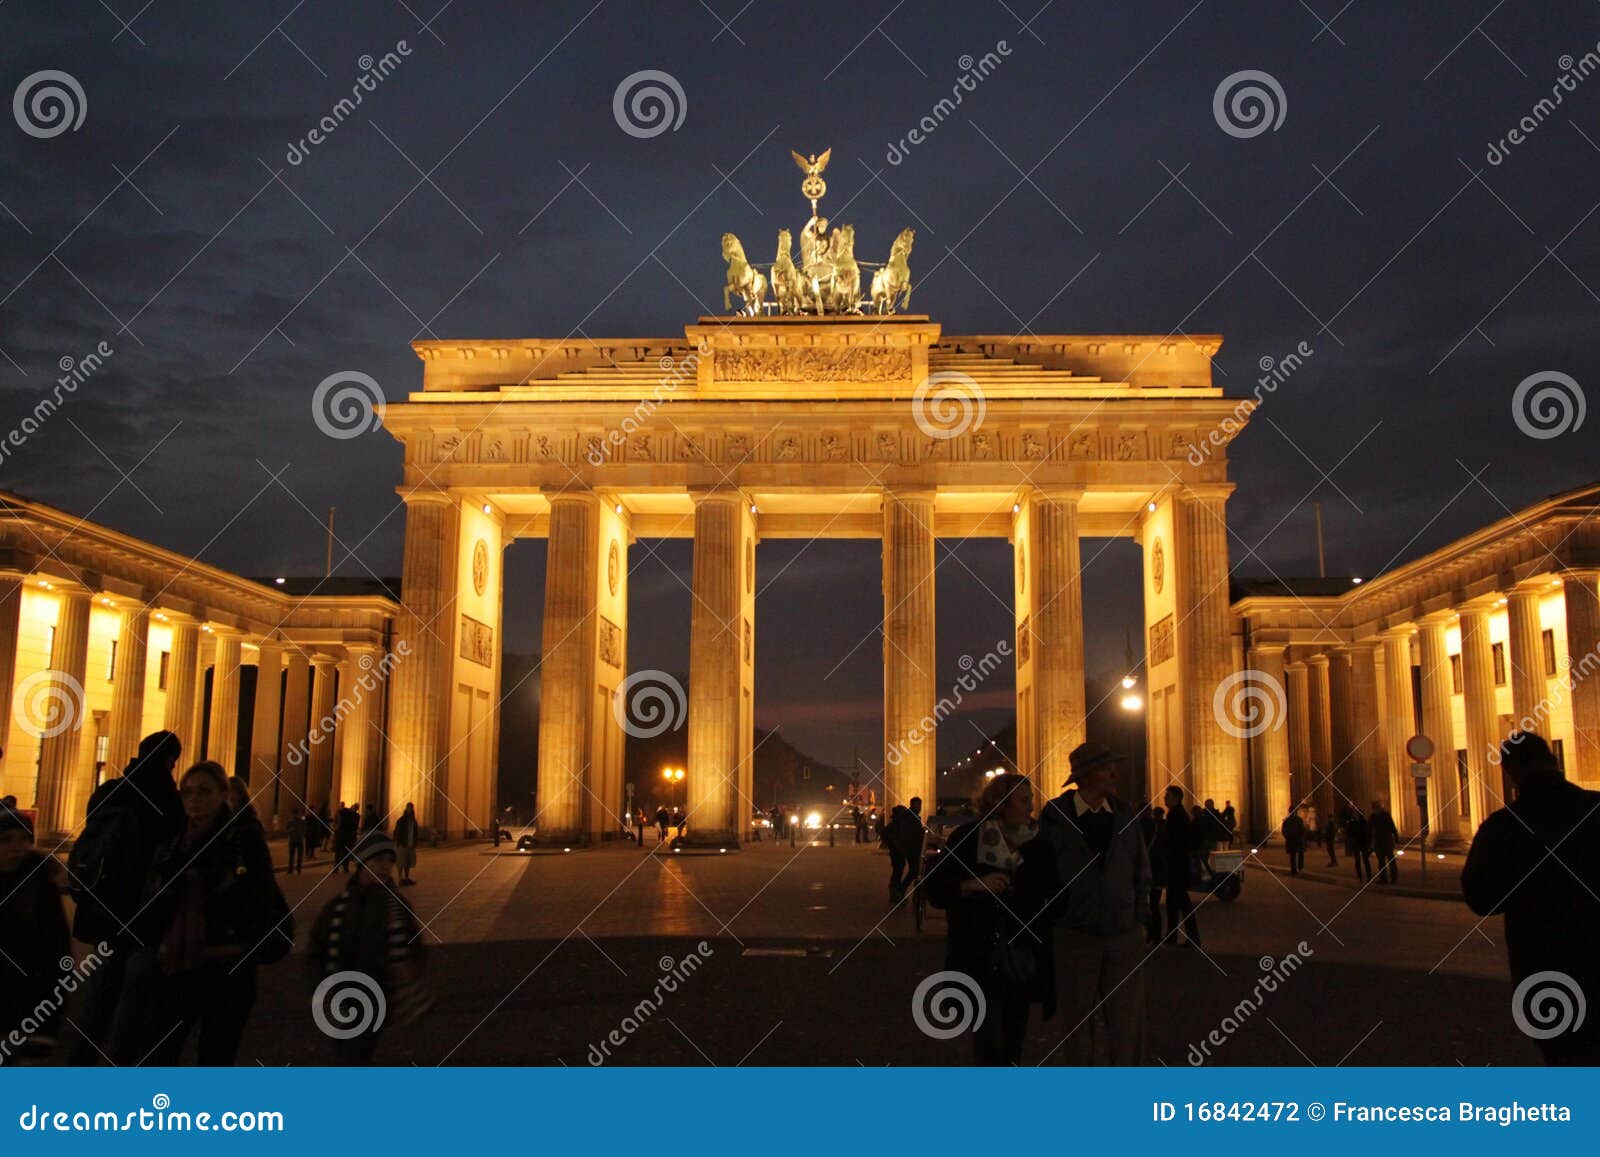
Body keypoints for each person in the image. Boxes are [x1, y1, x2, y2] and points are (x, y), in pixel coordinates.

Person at [114, 761, 291, 1065]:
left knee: (216, 1057)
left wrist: (215, 888)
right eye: (188, 792)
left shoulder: (244, 841)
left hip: (228, 967)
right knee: (160, 1054)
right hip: (177, 966)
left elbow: (259, 899)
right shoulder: (171, 843)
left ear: (224, 794)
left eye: (204, 791)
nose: (195, 799)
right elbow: (148, 906)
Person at [1463, 732, 1600, 1064]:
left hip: (1542, 969)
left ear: (1511, 773)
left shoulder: (1503, 827)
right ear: (1554, 762)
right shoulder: (1596, 810)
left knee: (1565, 1060)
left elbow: (1482, 899)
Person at [65, 730, 184, 1064]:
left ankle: (77, 1067)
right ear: (170, 761)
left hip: (103, 910)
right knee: (133, 1008)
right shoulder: (165, 798)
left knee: (99, 996)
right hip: (142, 917)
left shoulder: (109, 792)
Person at [923, 773, 1052, 1064]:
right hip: (981, 955)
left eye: (1030, 800)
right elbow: (935, 888)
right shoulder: (968, 840)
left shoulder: (1037, 843)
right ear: (1001, 804)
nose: (1031, 807)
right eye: (1024, 801)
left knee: (1014, 1040)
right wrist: (973, 884)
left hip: (1020, 955)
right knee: (990, 1040)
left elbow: (1054, 892)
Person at [1035, 743, 1151, 1065]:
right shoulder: (1055, 816)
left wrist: (1140, 919)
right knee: (1075, 1027)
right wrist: (1058, 915)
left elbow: (1142, 869)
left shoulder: (1125, 813)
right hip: (1075, 935)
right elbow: (1042, 873)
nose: (1114, 774)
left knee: (1127, 1025)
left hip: (1123, 934)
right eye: (1105, 768)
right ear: (1084, 776)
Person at [308, 830, 430, 1064]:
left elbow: (415, 946)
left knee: (355, 1056)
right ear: (361, 862)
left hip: (378, 998)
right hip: (343, 997)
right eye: (377, 861)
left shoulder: (396, 906)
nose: (384, 867)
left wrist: (410, 981)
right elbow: (317, 949)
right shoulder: (338, 906)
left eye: (389, 861)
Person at [0, 805, 70, 1062]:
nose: (16, 847)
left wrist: (50, 1016)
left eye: (23, 839)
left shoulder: (40, 885)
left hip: (30, 1003)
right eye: (6, 840)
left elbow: (58, 951)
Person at [1164, 786, 1201, 948]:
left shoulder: (1175, 815)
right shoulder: (1180, 814)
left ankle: (1189, 938)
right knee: (1175, 903)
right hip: (1179, 865)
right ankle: (1174, 937)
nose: (1164, 798)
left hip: (1176, 867)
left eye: (1167, 795)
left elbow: (1173, 842)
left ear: (1176, 798)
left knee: (1180, 903)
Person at [880, 797, 925, 903]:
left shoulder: (912, 816)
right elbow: (908, 833)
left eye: (920, 805)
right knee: (904, 870)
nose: (919, 808)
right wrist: (897, 844)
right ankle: (898, 892)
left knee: (903, 870)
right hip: (905, 848)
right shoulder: (908, 817)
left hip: (906, 848)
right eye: (917, 805)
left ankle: (898, 893)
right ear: (912, 805)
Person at [1143, 805, 1166, 944]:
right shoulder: (1164, 827)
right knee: (1154, 905)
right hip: (1160, 871)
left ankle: (1152, 933)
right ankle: (1156, 934)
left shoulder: (1145, 827)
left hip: (1149, 870)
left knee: (1147, 904)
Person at [1370, 799, 1399, 884]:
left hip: (1386, 840)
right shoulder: (1373, 817)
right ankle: (1384, 879)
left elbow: (1392, 827)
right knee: (1381, 861)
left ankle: (1393, 878)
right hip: (1380, 841)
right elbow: (1369, 829)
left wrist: (1396, 838)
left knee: (1390, 860)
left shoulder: (1385, 815)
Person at [394, 802, 419, 886]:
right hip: (403, 844)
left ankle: (407, 878)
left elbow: (415, 832)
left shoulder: (413, 821)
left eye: (411, 808)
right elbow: (397, 832)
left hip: (410, 844)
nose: (409, 809)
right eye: (408, 808)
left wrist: (415, 842)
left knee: (408, 862)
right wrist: (398, 842)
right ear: (406, 809)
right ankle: (400, 878)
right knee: (401, 862)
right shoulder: (401, 820)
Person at [1344, 805, 1372, 882]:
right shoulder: (1360, 822)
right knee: (1361, 860)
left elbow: (1367, 833)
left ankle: (1364, 877)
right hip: (1359, 843)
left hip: (1361, 843)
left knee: (1363, 860)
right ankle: (1363, 876)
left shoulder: (1360, 822)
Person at [331, 801, 360, 873]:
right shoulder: (356, 816)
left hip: (341, 836)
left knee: (338, 852)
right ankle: (345, 867)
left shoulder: (343, 812)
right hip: (348, 837)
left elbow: (338, 823)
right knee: (346, 852)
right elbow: (355, 828)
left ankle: (336, 867)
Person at [1281, 806, 1307, 876]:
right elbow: (1302, 829)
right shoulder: (1299, 820)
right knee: (1300, 854)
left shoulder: (1286, 821)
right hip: (1298, 840)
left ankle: (1293, 870)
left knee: (1292, 856)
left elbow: (1283, 831)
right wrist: (1301, 837)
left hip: (1290, 840)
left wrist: (1287, 837)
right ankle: (1300, 868)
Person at [286, 808, 307, 874]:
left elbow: (304, 830)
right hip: (296, 840)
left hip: (296, 840)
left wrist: (301, 833)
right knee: (294, 856)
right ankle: (295, 869)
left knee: (295, 856)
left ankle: (295, 869)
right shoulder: (291, 822)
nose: (295, 816)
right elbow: (287, 830)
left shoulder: (299, 821)